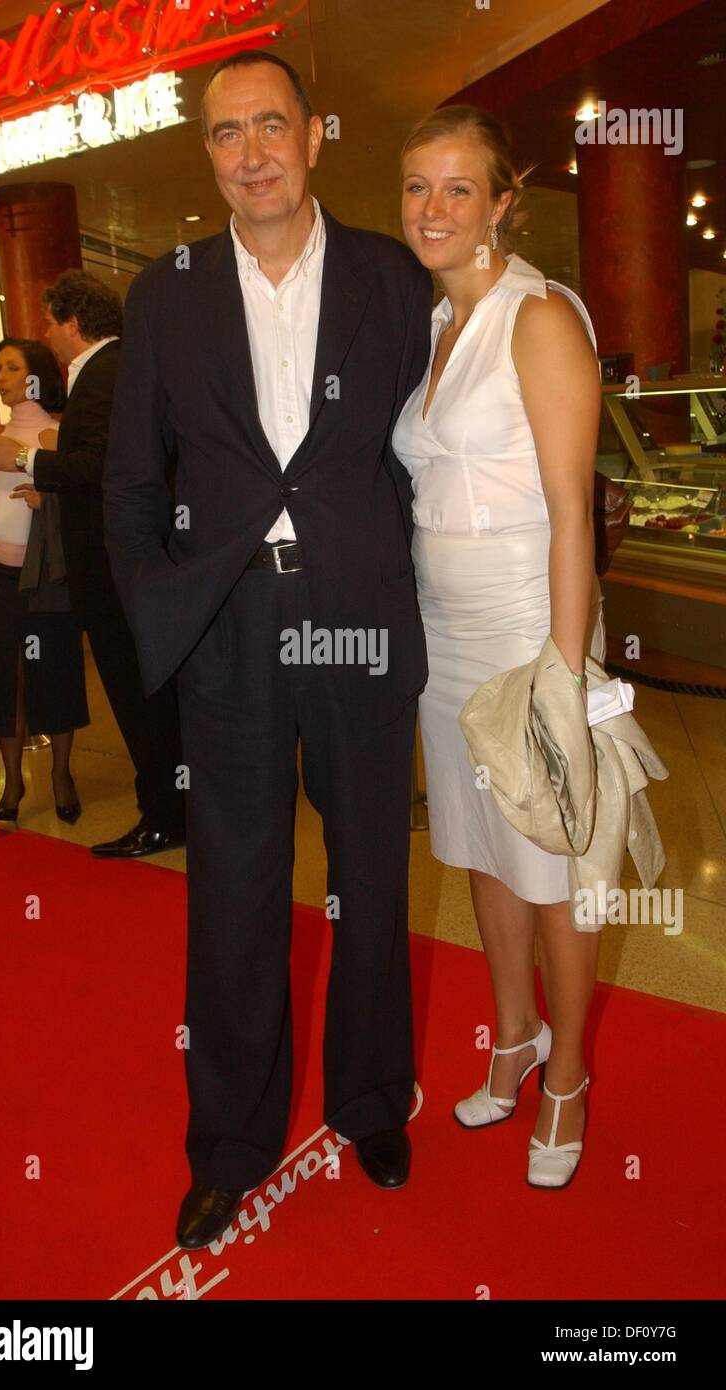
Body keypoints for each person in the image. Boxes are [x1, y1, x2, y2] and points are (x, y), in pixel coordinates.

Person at [103, 51, 432, 1247]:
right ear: (209, 154)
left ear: (314, 132)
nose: (250, 152)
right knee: (233, 895)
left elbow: (422, 453)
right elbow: (132, 477)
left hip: (355, 617)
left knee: (372, 876)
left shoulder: (392, 280)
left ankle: (368, 1100)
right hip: (231, 625)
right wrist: (165, 615)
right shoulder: (169, 291)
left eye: (269, 126)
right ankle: (228, 1143)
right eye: (226, 133)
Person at [393, 105, 605, 1189]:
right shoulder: (437, 324)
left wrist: (563, 680)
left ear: (502, 202)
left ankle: (566, 1073)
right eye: (417, 188)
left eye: (458, 188)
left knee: (554, 868)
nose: (433, 209)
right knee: (482, 854)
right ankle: (511, 1037)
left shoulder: (538, 318)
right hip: (445, 633)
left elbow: (574, 510)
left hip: (530, 626)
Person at [0, 271, 185, 857]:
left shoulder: (103, 374)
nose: (46, 330)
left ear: (73, 323)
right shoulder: (115, 367)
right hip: (132, 559)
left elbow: (102, 463)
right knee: (147, 691)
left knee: (137, 692)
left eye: (49, 319)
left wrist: (22, 456)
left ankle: (165, 813)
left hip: (116, 565)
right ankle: (172, 802)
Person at [0, 338, 88, 819]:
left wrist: (50, 501)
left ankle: (61, 774)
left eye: (11, 368)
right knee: (5, 673)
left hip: (49, 573)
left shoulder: (57, 435)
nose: (1, 377)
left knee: (58, 669)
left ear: (35, 378)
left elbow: (93, 502)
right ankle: (10, 784)